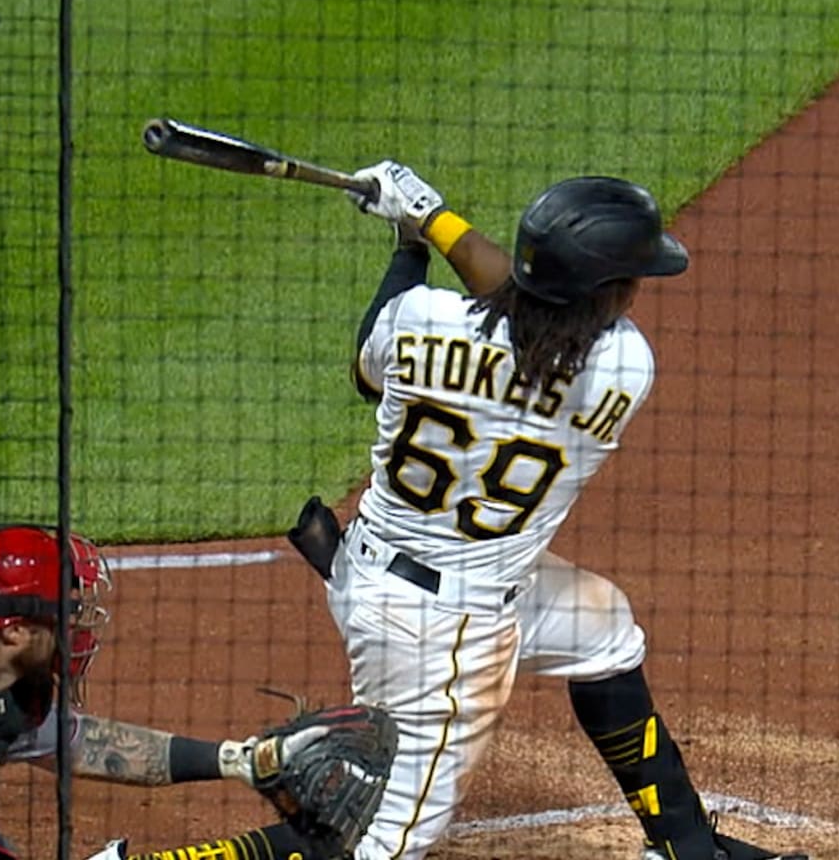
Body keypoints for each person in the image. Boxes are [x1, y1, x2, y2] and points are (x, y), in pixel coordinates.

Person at [307, 161, 808, 860]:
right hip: (441, 634)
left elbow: (373, 369)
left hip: (385, 567)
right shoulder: (622, 368)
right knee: (386, 842)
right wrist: (435, 219)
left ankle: (687, 848)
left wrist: (411, 240)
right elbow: (513, 300)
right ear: (606, 291)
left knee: (603, 628)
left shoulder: (418, 316)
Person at [0, 523, 389, 860]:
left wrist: (239, 760)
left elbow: (83, 744)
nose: (74, 627)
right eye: (60, 614)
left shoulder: (9, 695)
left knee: (296, 848)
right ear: (15, 632)